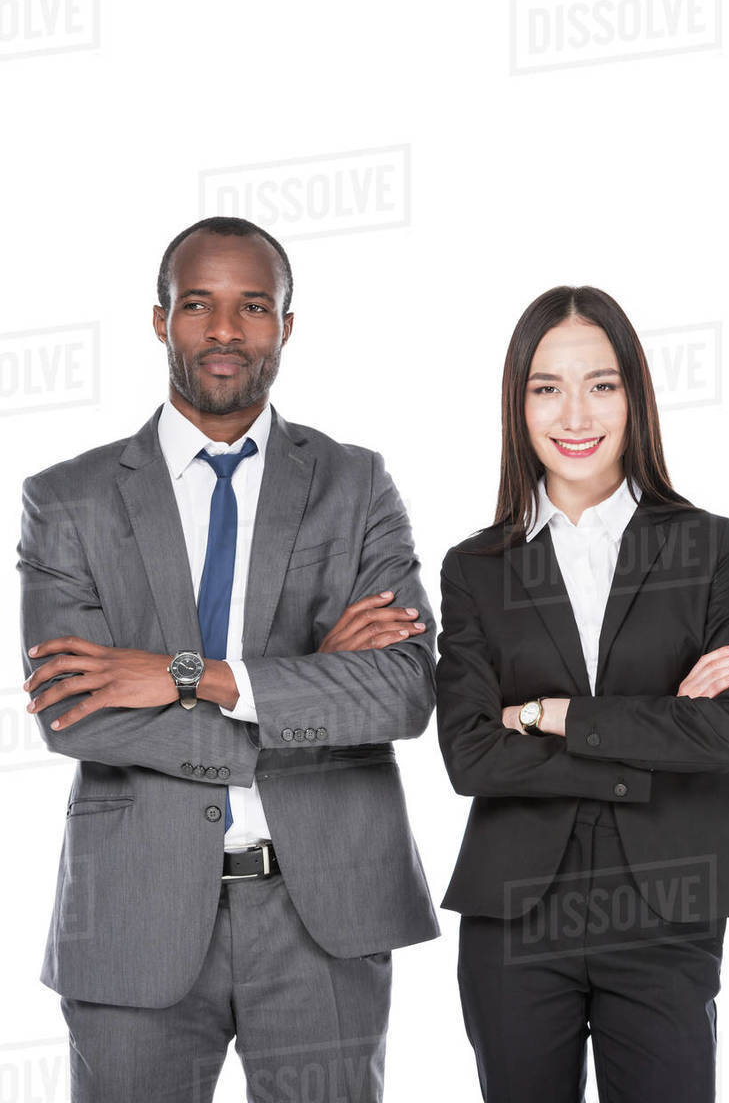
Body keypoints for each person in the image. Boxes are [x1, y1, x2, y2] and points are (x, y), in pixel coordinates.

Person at [19, 217, 439, 1103]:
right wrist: (307, 684)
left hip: (324, 908)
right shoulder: (66, 501)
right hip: (131, 912)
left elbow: (401, 692)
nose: (224, 330)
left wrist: (192, 676)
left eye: (252, 306)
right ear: (160, 319)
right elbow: (74, 711)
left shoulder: (356, 484)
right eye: (198, 305)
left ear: (286, 324)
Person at [436, 285, 729, 1102]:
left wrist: (544, 715)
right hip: (515, 916)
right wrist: (655, 732)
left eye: (601, 385)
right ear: (517, 405)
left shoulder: (707, 544)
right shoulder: (475, 568)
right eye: (546, 387)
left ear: (634, 396)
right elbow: (469, 754)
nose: (575, 414)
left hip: (667, 906)